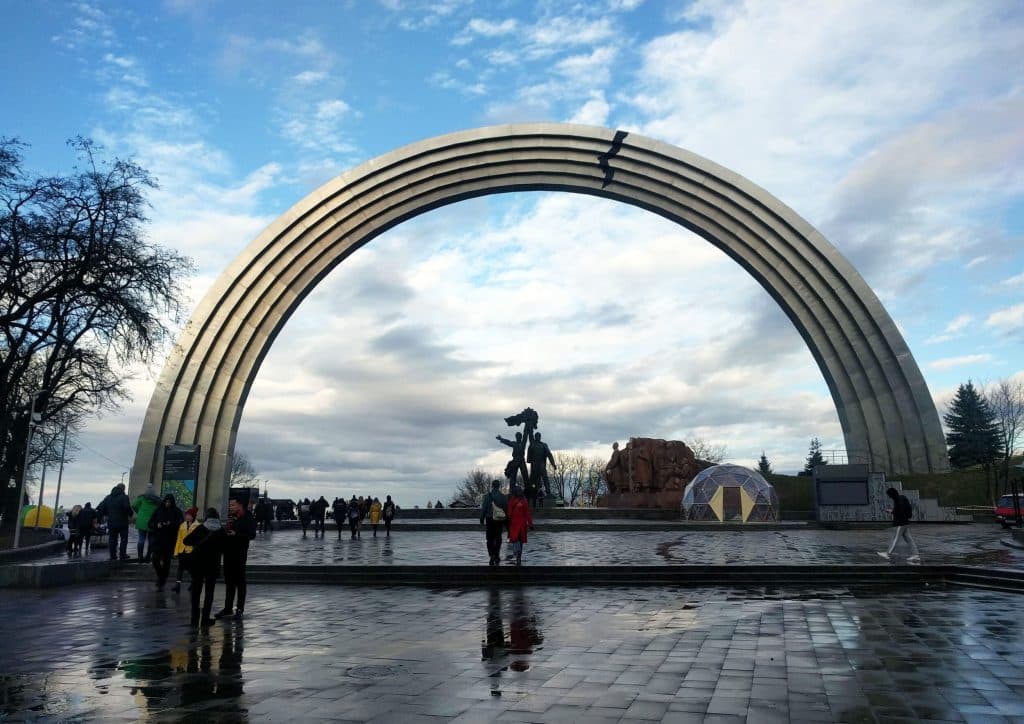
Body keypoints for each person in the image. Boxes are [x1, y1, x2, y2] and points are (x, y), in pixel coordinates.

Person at [216, 497, 257, 620]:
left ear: (240, 505)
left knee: (240, 581)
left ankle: (240, 608)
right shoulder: (232, 518)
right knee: (229, 582)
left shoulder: (248, 518)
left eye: (233, 505)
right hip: (228, 553)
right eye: (230, 505)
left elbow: (251, 535)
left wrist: (236, 535)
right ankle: (228, 608)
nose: (231, 507)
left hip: (239, 554)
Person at [183, 508, 226, 627]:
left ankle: (194, 617)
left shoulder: (201, 528)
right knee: (209, 592)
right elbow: (226, 548)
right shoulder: (221, 531)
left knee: (196, 591)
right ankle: (205, 618)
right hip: (213, 565)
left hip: (198, 564)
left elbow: (186, 541)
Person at [149, 494, 184, 591]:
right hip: (159, 538)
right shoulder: (158, 510)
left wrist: (171, 524)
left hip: (170, 539)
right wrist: (157, 525)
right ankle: (161, 576)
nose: (168, 504)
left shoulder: (176, 511)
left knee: (166, 560)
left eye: (169, 502)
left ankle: (162, 580)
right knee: (155, 558)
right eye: (166, 502)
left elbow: (180, 523)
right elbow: (150, 523)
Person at [878, 487, 920, 563]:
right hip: (905, 522)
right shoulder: (903, 497)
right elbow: (905, 509)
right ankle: (915, 555)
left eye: (889, 495)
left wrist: (890, 511)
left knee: (895, 539)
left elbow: (898, 512)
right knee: (909, 539)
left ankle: (887, 554)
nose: (889, 497)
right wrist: (894, 511)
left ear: (891, 495)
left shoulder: (897, 501)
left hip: (900, 523)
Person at [96, 483, 133, 561]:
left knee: (112, 539)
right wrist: (130, 514)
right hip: (123, 522)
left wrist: (100, 519)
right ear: (123, 489)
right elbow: (127, 507)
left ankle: (113, 556)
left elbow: (100, 508)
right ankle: (122, 555)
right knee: (124, 539)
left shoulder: (108, 497)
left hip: (111, 522)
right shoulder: (124, 497)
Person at [480, 479, 508, 566]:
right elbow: (505, 509)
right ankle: (497, 554)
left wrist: (482, 518)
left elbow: (484, 508)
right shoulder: (502, 496)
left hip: (489, 519)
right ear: (498, 486)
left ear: (492, 485)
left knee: (489, 538)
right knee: (498, 537)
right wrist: (506, 520)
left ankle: (491, 554)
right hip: (499, 519)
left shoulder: (487, 496)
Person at [173, 506, 200, 593]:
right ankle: (177, 584)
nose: (187, 517)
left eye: (189, 515)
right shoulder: (182, 525)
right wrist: (176, 552)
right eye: (186, 515)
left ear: (193, 516)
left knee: (190, 568)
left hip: (191, 551)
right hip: (182, 550)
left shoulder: (198, 526)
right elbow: (179, 539)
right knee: (180, 567)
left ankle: (193, 582)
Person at [132, 484, 162, 561]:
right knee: (151, 540)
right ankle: (148, 556)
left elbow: (134, 505)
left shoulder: (142, 498)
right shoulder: (157, 501)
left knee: (141, 539)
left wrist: (139, 512)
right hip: (152, 523)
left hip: (141, 522)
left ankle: (140, 557)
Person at [506, 486, 534, 566]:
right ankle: (519, 556)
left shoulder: (512, 500)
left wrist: (508, 521)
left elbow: (509, 513)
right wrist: (530, 524)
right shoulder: (524, 501)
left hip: (514, 524)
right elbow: (527, 513)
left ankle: (517, 553)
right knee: (520, 540)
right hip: (522, 524)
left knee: (515, 539)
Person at [527, 431, 557, 506]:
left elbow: (549, 455)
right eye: (536, 436)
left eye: (538, 436)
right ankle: (533, 492)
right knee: (534, 481)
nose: (537, 437)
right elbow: (529, 457)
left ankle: (548, 492)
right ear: (535, 437)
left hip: (539, 465)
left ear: (539, 437)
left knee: (544, 478)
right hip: (536, 465)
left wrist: (553, 464)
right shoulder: (532, 445)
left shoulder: (542, 445)